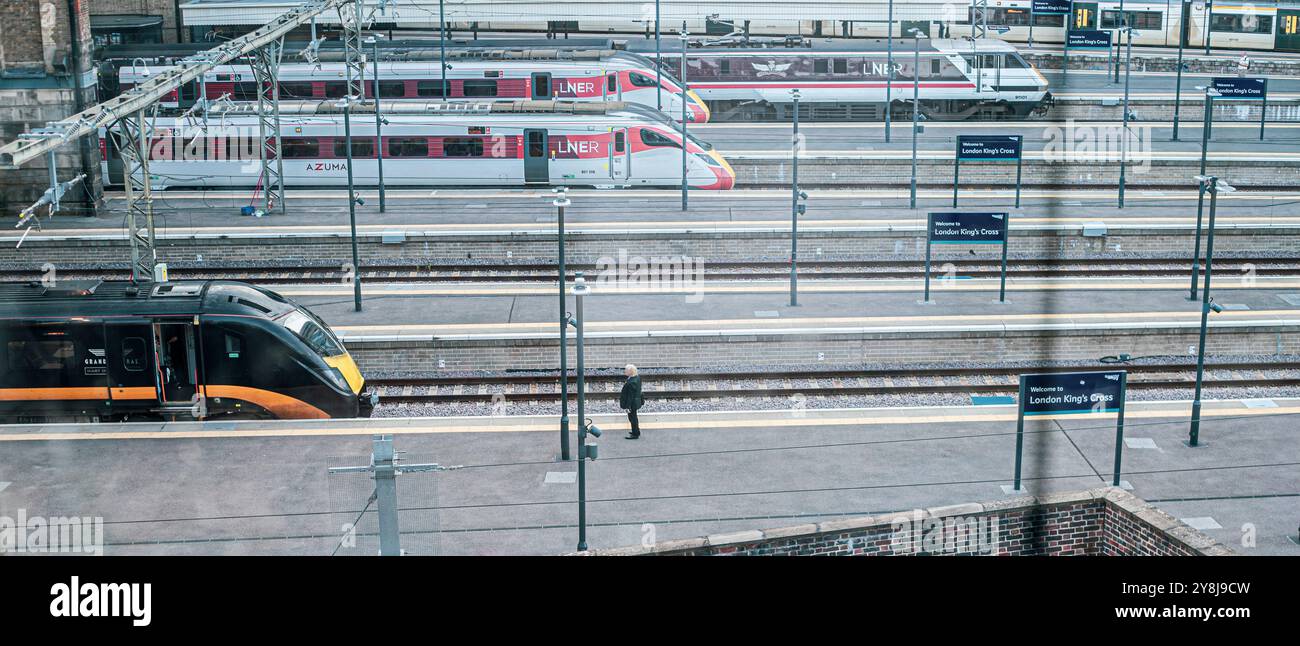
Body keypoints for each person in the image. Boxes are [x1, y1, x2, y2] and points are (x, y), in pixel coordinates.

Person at [619, 364, 644, 439]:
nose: (625, 371)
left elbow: (630, 396)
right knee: (634, 417)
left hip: (632, 404)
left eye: (626, 370)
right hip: (636, 402)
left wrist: (628, 406)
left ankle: (635, 434)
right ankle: (636, 431)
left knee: (632, 418)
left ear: (631, 371)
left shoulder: (632, 382)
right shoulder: (637, 378)